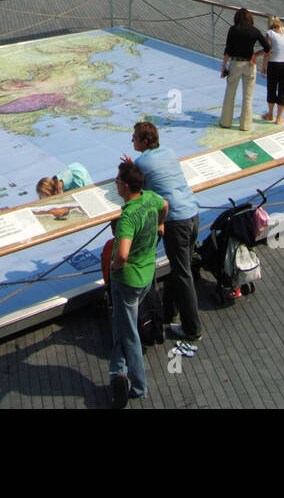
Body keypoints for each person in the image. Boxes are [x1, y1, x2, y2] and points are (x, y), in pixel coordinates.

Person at [124, 122, 201, 345]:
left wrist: (132, 168)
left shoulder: (141, 163)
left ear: (145, 141)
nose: (132, 141)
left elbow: (138, 188)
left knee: (183, 274)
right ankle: (169, 313)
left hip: (175, 222)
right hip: (192, 214)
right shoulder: (169, 151)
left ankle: (192, 329)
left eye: (135, 137)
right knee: (179, 269)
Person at [108, 160, 167, 409]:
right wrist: (160, 225)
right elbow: (165, 205)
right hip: (146, 273)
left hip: (127, 281)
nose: (116, 185)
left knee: (129, 332)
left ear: (126, 187)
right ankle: (117, 371)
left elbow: (122, 253)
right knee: (121, 324)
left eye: (118, 182)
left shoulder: (128, 216)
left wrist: (114, 267)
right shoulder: (150, 198)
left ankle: (137, 384)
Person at [220, 8, 271, 131]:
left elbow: (227, 49)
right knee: (248, 97)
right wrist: (256, 55)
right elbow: (268, 48)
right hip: (249, 64)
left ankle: (226, 122)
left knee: (230, 94)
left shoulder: (233, 30)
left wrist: (224, 66)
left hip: (235, 63)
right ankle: (245, 125)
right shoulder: (254, 31)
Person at [261, 15, 284, 126]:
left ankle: (271, 114)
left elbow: (268, 51)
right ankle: (279, 118)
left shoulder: (270, 34)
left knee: (271, 88)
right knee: (283, 90)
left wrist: (263, 66)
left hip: (274, 64)